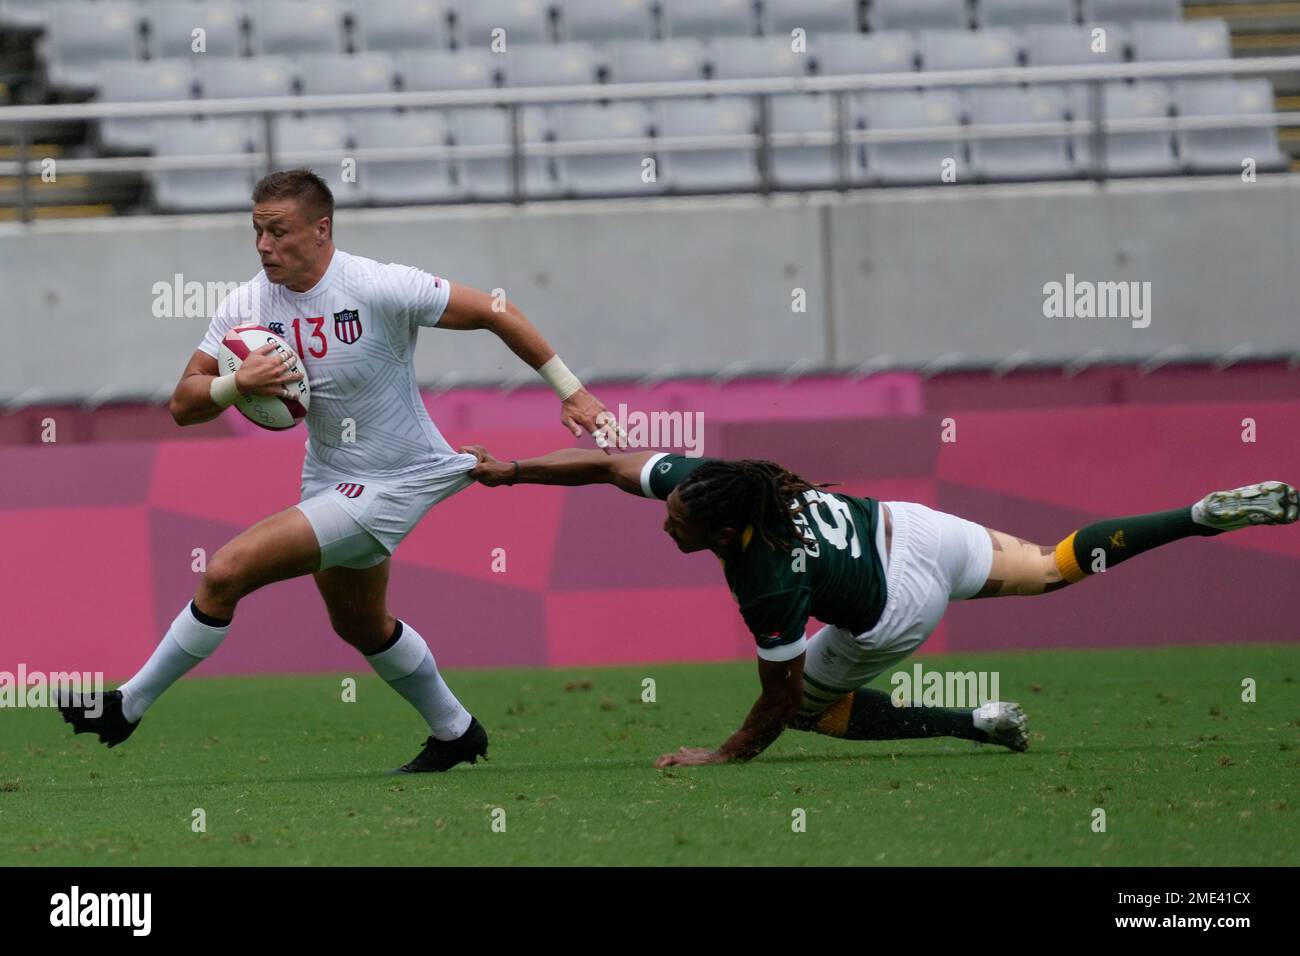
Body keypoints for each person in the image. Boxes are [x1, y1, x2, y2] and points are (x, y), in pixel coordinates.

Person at [58, 169, 619, 774]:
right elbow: (183, 404)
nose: (264, 246)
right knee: (359, 622)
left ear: (321, 229)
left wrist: (572, 392)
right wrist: (233, 383)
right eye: (256, 231)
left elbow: (494, 310)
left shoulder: (377, 285)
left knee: (224, 572)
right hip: (329, 475)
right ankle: (456, 732)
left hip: (398, 478)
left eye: (279, 231)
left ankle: (126, 705)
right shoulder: (248, 303)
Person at [460, 443, 1297, 768]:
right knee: (1052, 567)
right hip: (909, 527)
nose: (666, 520)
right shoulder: (718, 485)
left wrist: (720, 756)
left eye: (678, 520)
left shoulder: (767, 580)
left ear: (722, 529)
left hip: (897, 603)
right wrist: (515, 472)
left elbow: (777, 700)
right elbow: (611, 464)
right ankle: (1196, 517)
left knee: (810, 716)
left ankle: (978, 723)